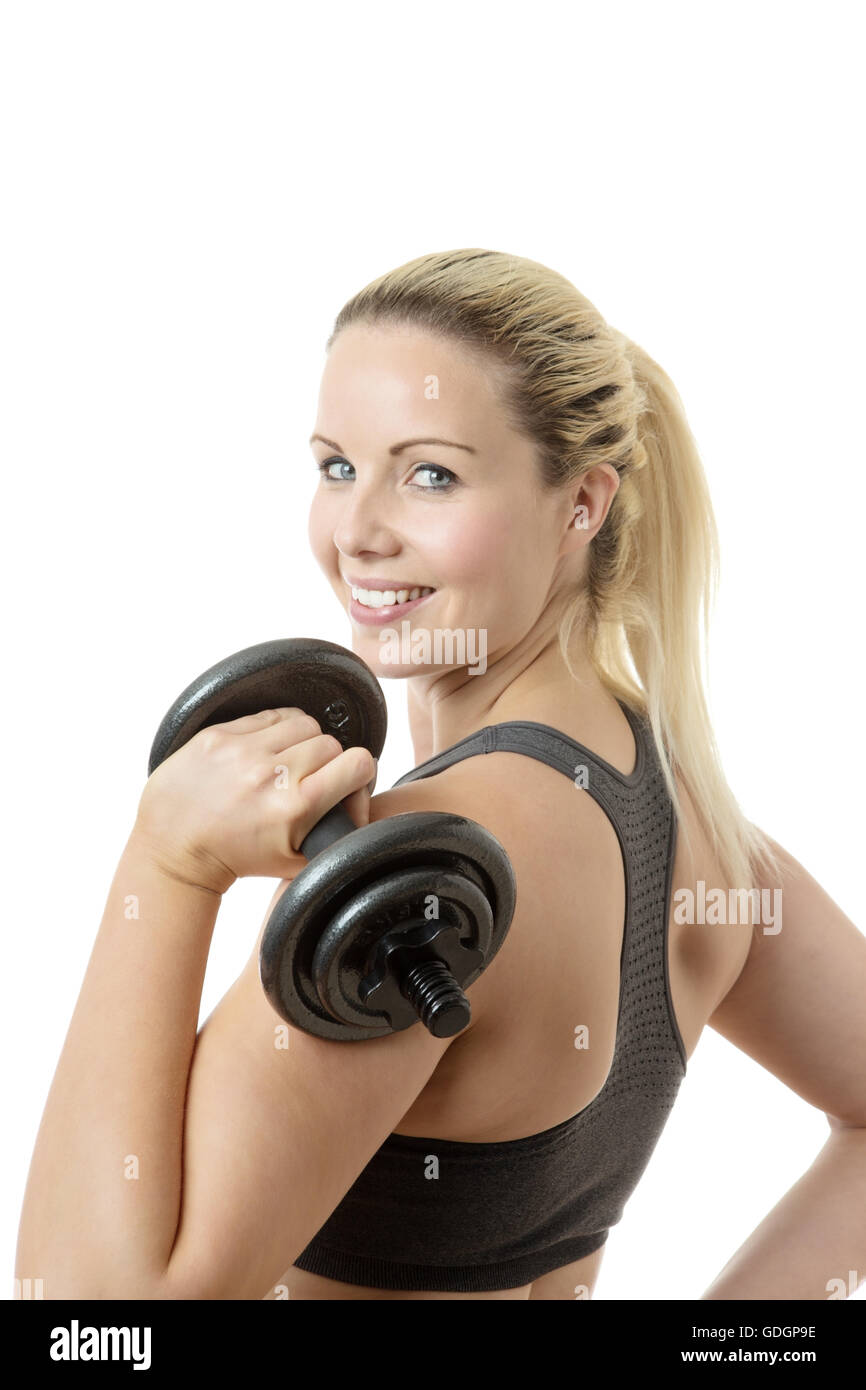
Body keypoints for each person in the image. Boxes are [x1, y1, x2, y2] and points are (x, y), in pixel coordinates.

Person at [16, 249, 866, 1302]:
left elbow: (95, 1325)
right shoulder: (692, 823)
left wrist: (167, 864)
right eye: (335, 466)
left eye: (429, 474)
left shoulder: (420, 875)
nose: (356, 533)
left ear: (580, 505)